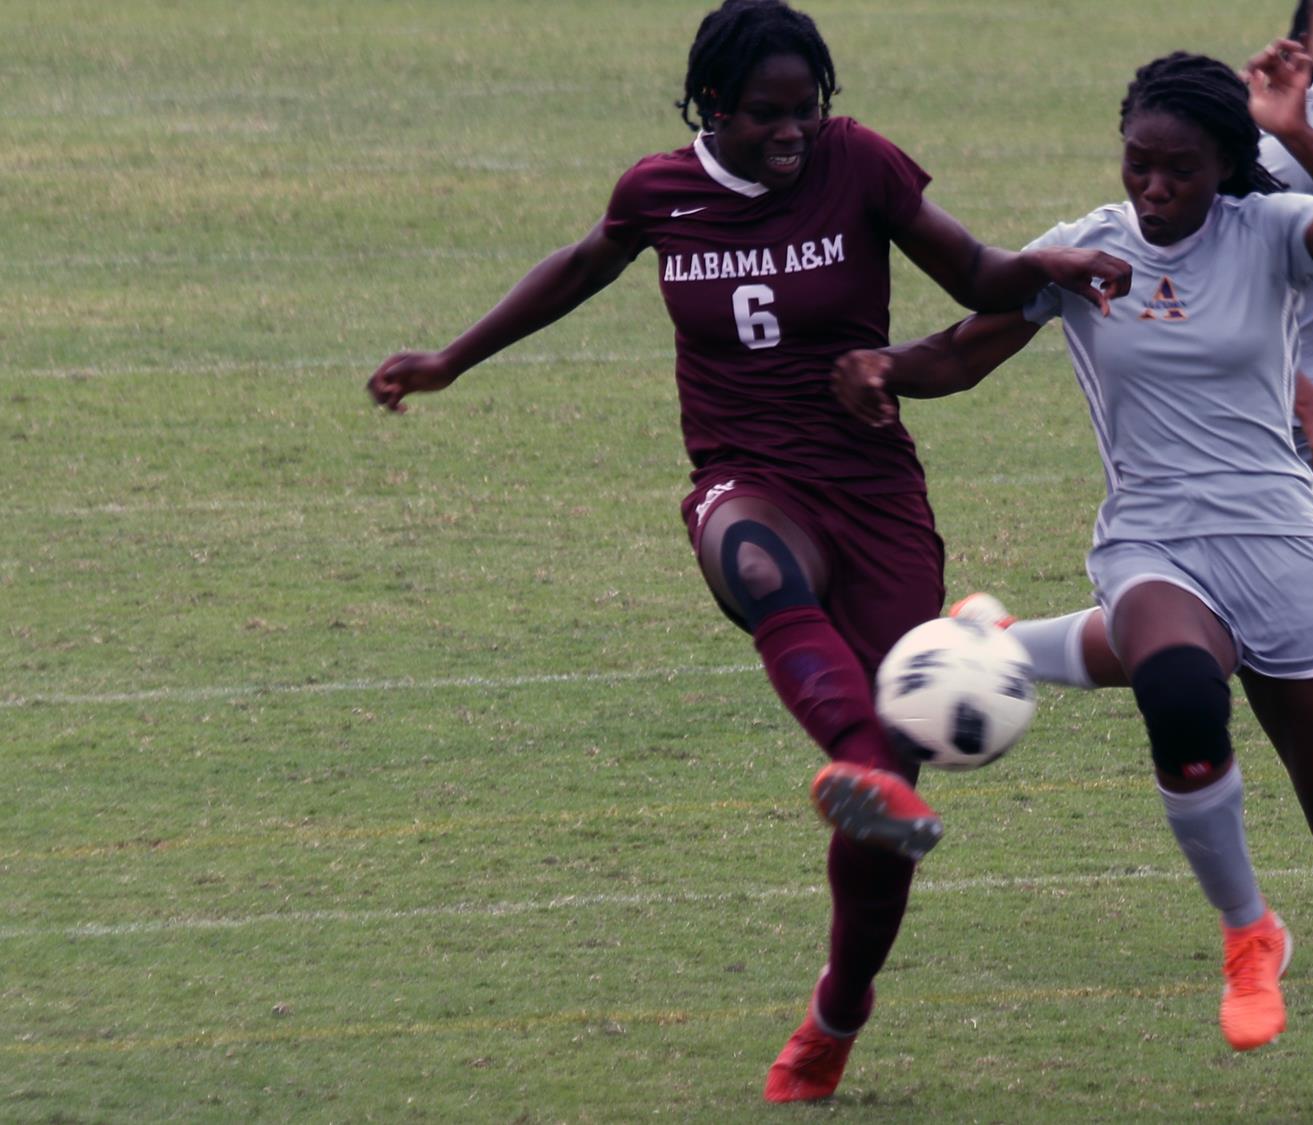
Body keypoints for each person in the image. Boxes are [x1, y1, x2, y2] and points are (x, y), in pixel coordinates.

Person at [364, 0, 1129, 1104]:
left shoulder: (857, 164)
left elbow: (973, 276)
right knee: (755, 567)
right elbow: (582, 265)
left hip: (872, 491)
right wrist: (450, 359)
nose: (790, 134)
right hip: (745, 471)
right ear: (709, 110)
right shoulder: (657, 192)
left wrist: (1044, 265)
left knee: (884, 825)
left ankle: (839, 1008)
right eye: (765, 116)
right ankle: (858, 763)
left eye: (804, 112)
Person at [834, 45, 1313, 1113]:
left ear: (1223, 165)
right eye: (1137, 165)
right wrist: (886, 368)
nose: (1154, 189)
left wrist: (1300, 134)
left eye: (1178, 170)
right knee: (1176, 689)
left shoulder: (1270, 234)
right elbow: (963, 351)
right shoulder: (1085, 251)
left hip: (1283, 550)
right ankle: (1246, 930)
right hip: (1153, 541)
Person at [962, 0, 1313, 969]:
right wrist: (1306, 398)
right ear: (1299, 44)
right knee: (1193, 650)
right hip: (1283, 423)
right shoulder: (1261, 142)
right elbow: (1227, 294)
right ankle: (1015, 651)